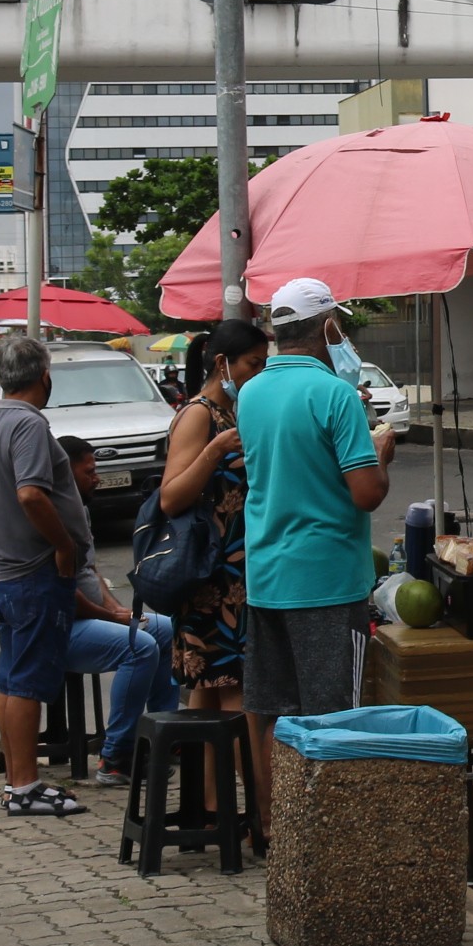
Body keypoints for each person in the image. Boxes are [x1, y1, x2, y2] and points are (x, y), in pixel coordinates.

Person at [234, 279, 394, 725]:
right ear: (327, 328)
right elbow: (367, 493)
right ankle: (327, 798)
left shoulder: (250, 393)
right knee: (334, 717)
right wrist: (380, 456)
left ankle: (276, 799)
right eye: (339, 327)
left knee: (274, 712)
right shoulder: (336, 395)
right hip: (327, 581)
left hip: (267, 577)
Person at [0, 335, 94, 818]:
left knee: (12, 679)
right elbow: (30, 495)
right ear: (44, 375)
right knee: (27, 683)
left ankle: (17, 779)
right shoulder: (26, 426)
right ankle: (24, 786)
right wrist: (64, 545)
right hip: (33, 572)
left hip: (8, 570)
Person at [159, 318, 270, 798]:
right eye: (253, 364)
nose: (257, 373)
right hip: (212, 584)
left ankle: (207, 806)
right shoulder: (200, 415)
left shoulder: (232, 413)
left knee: (207, 695)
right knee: (237, 696)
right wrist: (214, 452)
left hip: (231, 576)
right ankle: (265, 817)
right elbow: (170, 496)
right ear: (222, 363)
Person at [57, 437, 178, 781]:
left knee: (167, 628)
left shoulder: (78, 508)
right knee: (139, 648)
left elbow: (90, 572)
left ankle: (161, 739)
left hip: (92, 616)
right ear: (67, 471)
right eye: (89, 472)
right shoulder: (54, 513)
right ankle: (116, 757)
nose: (97, 478)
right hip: (64, 626)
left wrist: (122, 611)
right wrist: (111, 617)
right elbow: (64, 590)